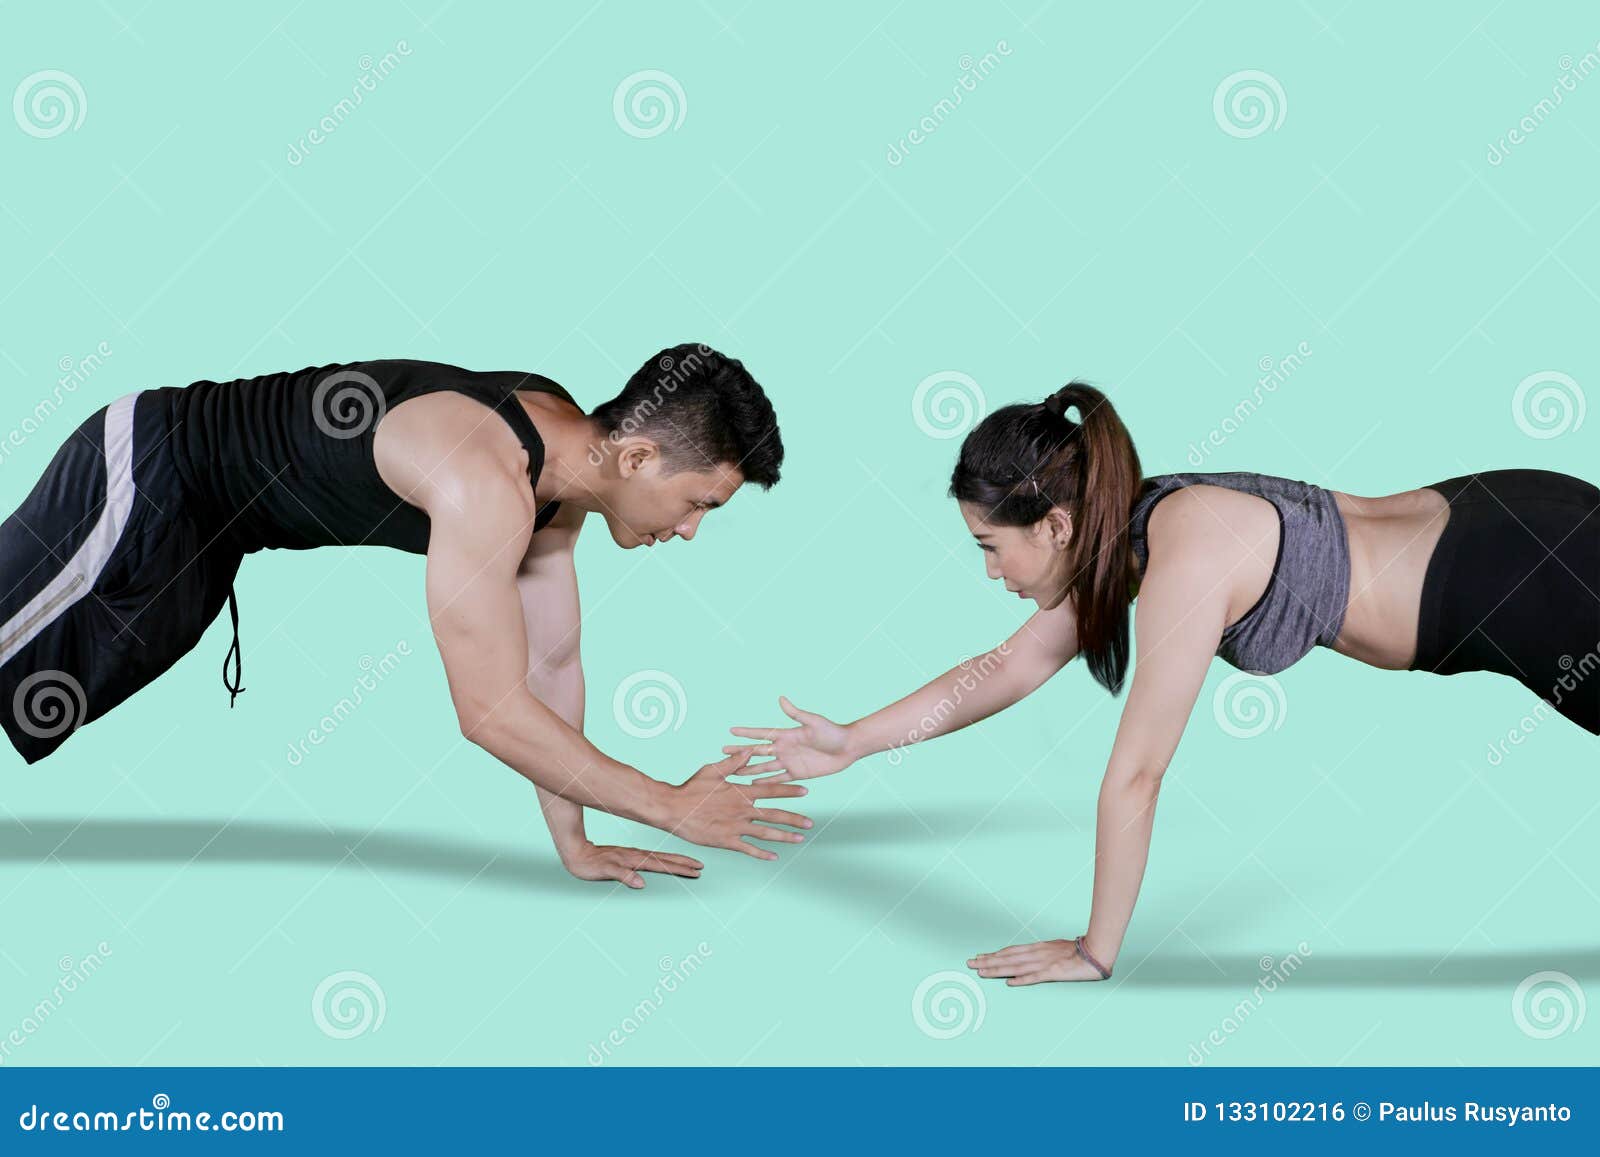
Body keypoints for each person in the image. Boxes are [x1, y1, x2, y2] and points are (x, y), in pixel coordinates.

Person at [724, 381, 1599, 984]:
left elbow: (1136, 774)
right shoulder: (1129, 524)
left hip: (1517, 572)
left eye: (990, 547)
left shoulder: (1182, 557)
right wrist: (857, 739)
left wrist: (1095, 950)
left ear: (1055, 524)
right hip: (1498, 519)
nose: (990, 573)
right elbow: (1010, 664)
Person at [0, 344, 811, 886]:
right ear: (637, 457)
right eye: (699, 502)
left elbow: (550, 664)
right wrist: (668, 803)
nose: (692, 529)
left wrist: (575, 841)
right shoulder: (486, 479)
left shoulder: (562, 466)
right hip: (155, 467)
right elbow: (489, 710)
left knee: (49, 681)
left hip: (216, 535)